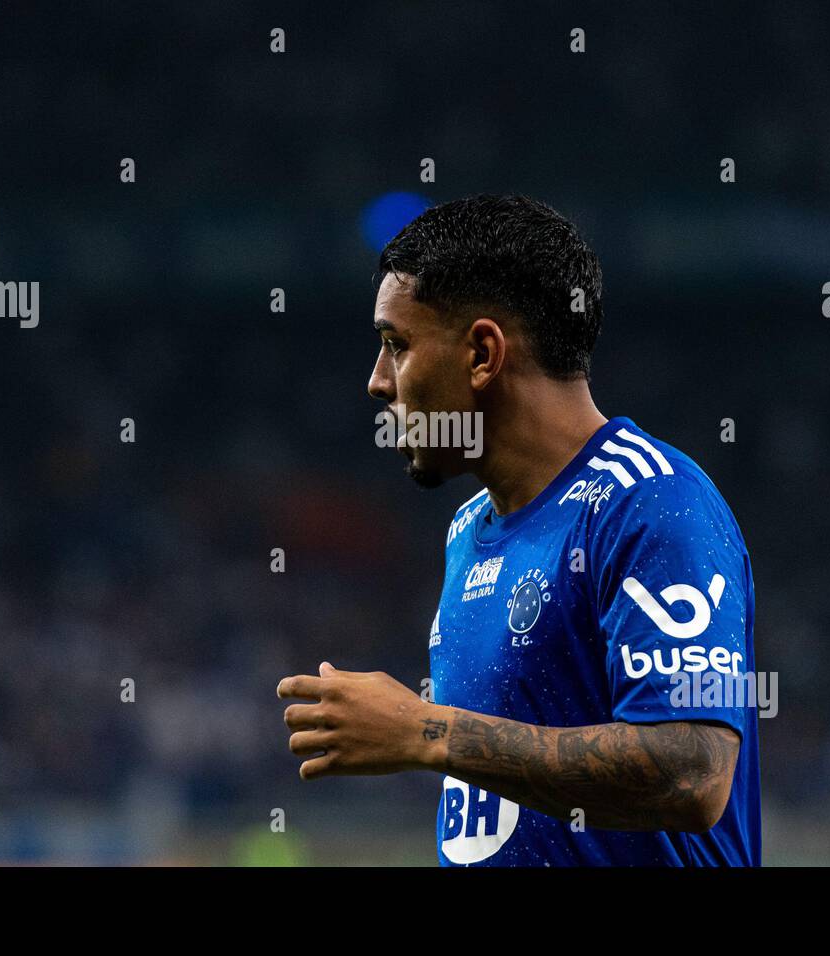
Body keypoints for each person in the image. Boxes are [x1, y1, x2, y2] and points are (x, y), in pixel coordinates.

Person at [278, 194, 760, 866]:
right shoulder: (466, 532)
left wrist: (424, 730)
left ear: (482, 353)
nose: (376, 382)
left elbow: (694, 772)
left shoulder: (650, 501)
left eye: (396, 345)